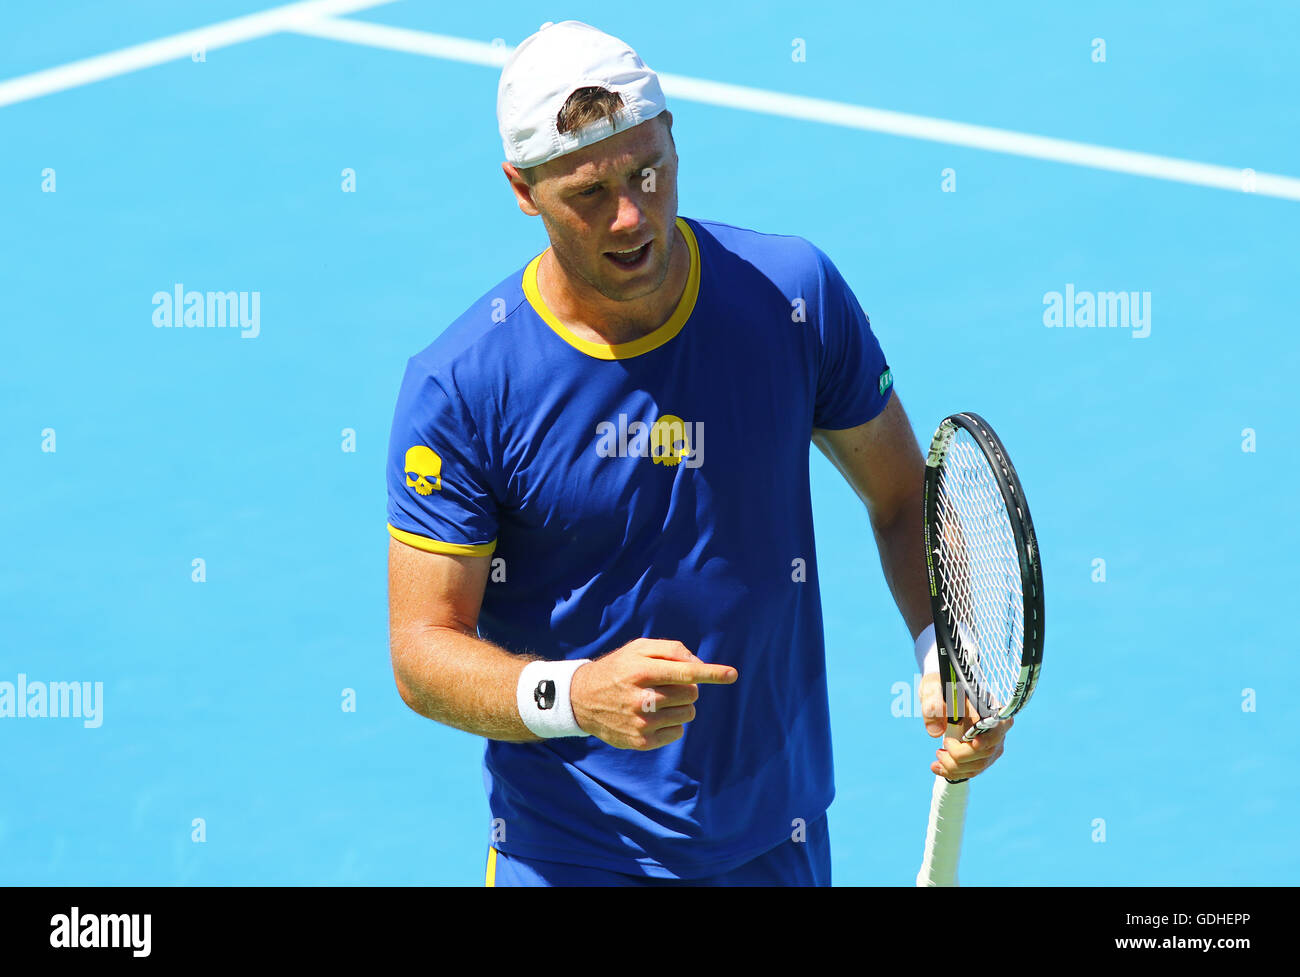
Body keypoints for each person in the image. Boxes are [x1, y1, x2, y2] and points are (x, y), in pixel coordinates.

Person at [385, 20, 1011, 886]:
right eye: (588, 192)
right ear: (523, 191)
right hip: (571, 856)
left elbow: (905, 497)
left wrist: (939, 646)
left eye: (648, 171)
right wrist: (574, 696)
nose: (631, 215)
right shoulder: (462, 388)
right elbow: (423, 650)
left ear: (675, 139)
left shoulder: (793, 298)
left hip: (775, 836)